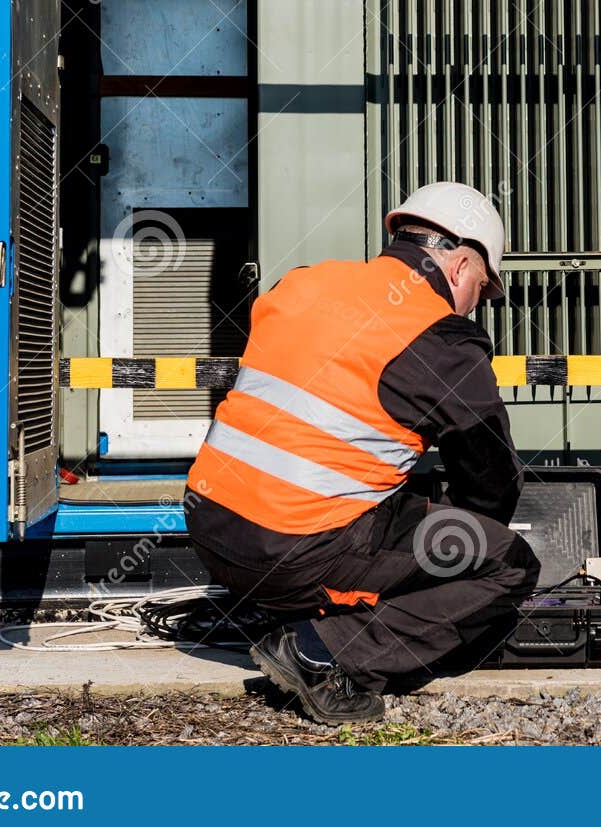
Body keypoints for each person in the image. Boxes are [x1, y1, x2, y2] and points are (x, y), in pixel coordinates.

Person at [185, 182, 538, 722]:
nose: (475, 304)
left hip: (211, 526)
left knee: (390, 504)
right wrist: (453, 562)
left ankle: (298, 611)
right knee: (507, 564)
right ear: (462, 266)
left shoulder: (301, 283)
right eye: (481, 289)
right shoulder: (441, 337)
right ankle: (317, 653)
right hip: (292, 551)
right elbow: (492, 484)